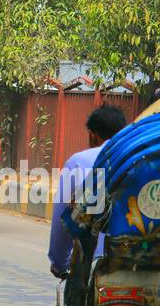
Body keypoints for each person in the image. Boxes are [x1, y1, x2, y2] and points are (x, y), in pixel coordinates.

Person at [48, 104, 127, 279]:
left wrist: (59, 262)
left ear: (92, 134)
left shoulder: (79, 162)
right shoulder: (139, 159)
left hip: (91, 263)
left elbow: (62, 217)